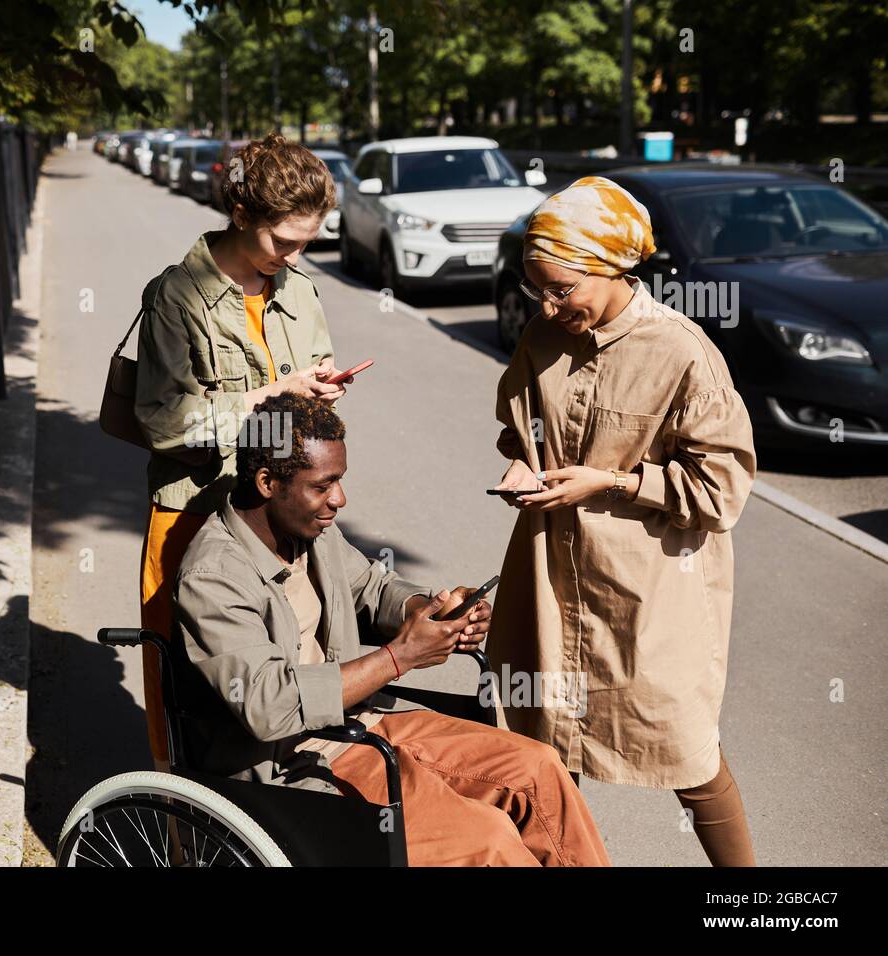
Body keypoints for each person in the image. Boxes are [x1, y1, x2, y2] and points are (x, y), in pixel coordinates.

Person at [172, 392, 611, 866]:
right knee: (487, 841)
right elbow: (269, 705)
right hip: (295, 765)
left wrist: (433, 612)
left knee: (540, 770)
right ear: (266, 483)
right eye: (324, 486)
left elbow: (372, 590)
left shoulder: (307, 530)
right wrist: (400, 656)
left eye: (339, 481)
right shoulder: (213, 576)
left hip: (364, 722)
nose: (339, 499)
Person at [489, 175, 758, 866]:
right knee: (543, 751)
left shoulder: (683, 352)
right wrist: (524, 466)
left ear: (614, 268)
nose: (547, 306)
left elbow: (722, 488)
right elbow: (519, 430)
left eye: (562, 289)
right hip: (550, 578)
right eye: (537, 288)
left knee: (685, 750)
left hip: (650, 593)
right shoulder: (542, 339)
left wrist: (613, 481)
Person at [133, 132, 351, 770]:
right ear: (241, 215)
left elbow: (304, 410)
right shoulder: (176, 296)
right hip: (193, 513)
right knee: (184, 699)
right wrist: (270, 396)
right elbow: (161, 420)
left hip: (274, 517)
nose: (295, 253)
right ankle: (183, 832)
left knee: (287, 677)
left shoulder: (300, 291)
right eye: (283, 240)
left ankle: (287, 815)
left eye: (307, 240)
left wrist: (320, 397)